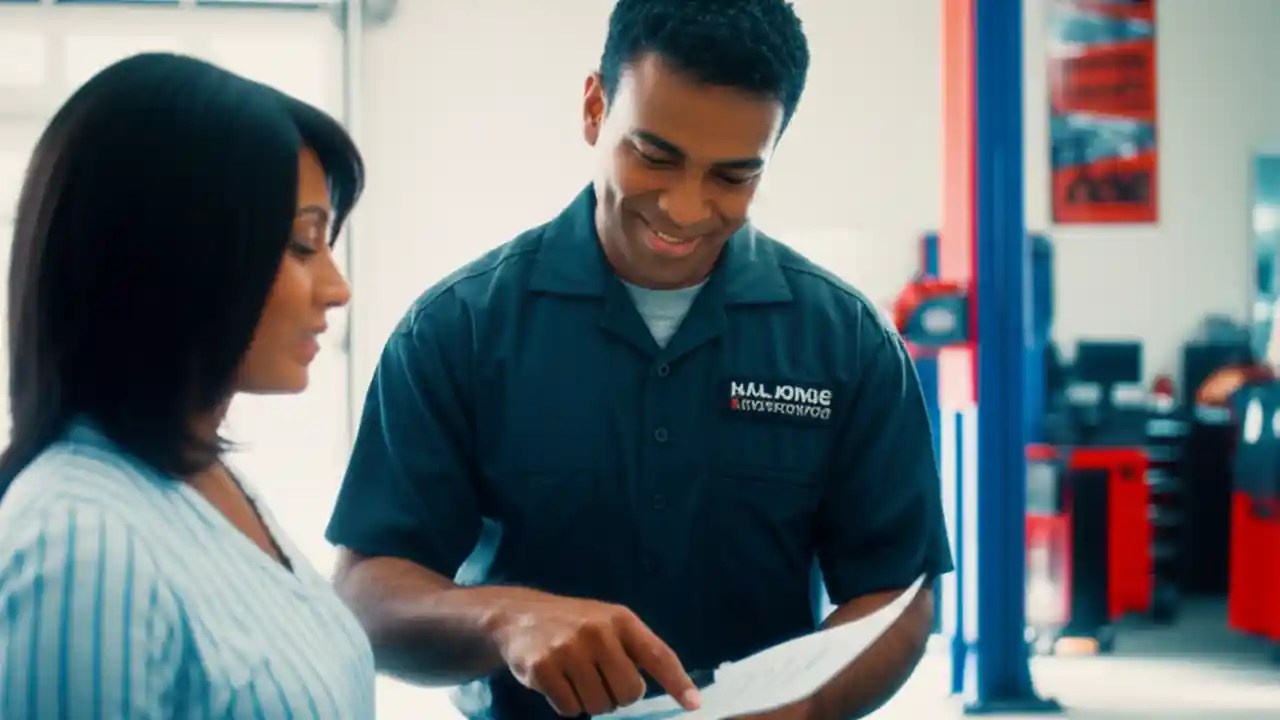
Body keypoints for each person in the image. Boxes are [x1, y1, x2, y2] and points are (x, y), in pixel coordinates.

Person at [327, 1, 953, 718]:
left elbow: (897, 598)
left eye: (733, 176)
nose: (685, 209)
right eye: (654, 157)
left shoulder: (847, 344)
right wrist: (503, 619)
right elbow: (364, 593)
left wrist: (805, 708)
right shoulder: (457, 331)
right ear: (595, 109)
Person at [0, 53, 373, 718]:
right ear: (176, 253)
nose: (337, 289)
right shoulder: (80, 542)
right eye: (302, 246)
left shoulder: (205, 482)